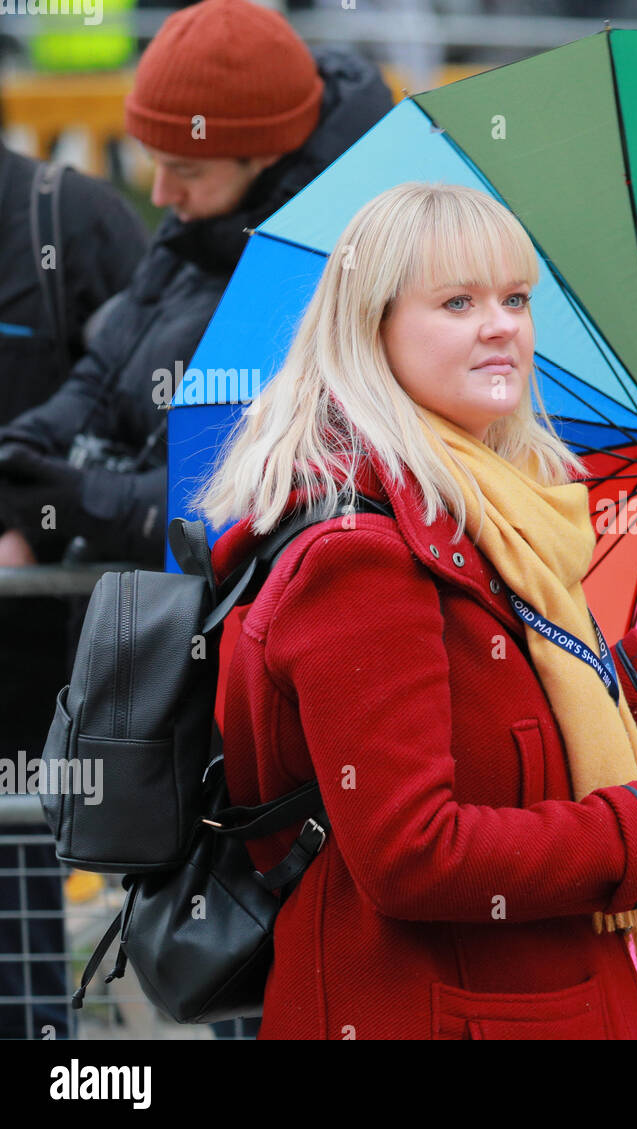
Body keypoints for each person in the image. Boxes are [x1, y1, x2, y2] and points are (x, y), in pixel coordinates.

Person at [198, 182, 637, 1040]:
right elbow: (412, 852)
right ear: (371, 328)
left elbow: (496, 741)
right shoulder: (362, 558)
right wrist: (633, 830)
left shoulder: (484, 511)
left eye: (516, 299)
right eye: (457, 302)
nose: (503, 326)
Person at [0, 0, 392, 572]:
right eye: (154, 163)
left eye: (184, 171)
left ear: (265, 155)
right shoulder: (203, 219)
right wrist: (21, 453)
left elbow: (254, 493)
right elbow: (103, 375)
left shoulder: (340, 270)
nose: (160, 195)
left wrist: (75, 499)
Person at [0, 135, 148, 1041]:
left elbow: (153, 431)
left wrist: (41, 517)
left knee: (21, 951)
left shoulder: (69, 219)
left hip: (42, 672)